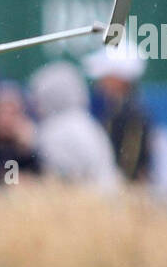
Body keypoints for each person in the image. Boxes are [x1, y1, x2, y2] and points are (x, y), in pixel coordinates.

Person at [26, 60, 121, 192]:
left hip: (86, 201)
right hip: (107, 196)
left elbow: (62, 176)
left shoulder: (56, 129)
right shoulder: (86, 122)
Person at [84, 46, 153, 184]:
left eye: (105, 76)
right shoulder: (115, 110)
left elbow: (129, 169)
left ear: (119, 79)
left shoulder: (133, 116)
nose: (100, 82)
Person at [0, 81, 41, 185]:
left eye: (12, 113)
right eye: (1, 112)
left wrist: (27, 150)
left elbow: (40, 177)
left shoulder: (24, 146)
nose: (6, 120)